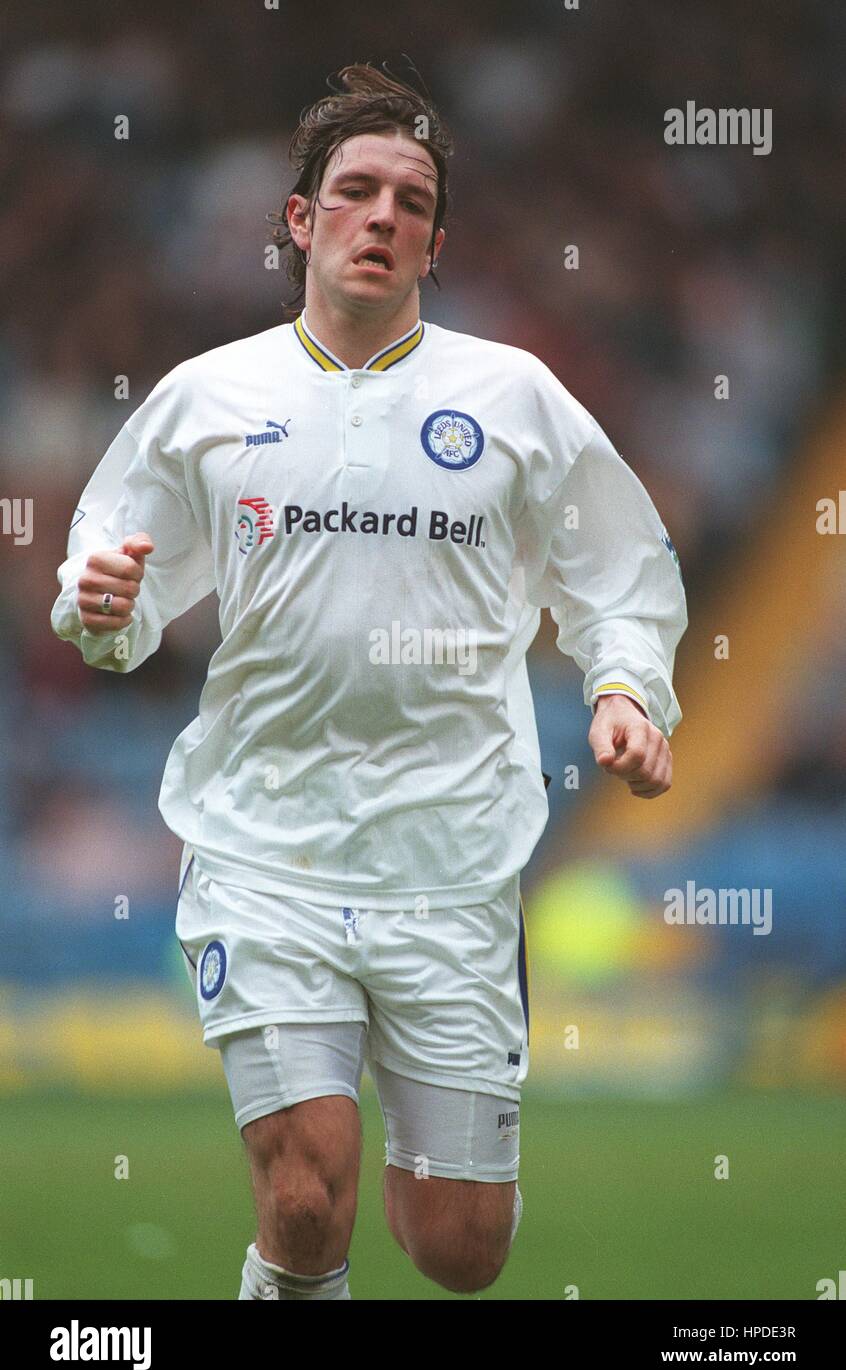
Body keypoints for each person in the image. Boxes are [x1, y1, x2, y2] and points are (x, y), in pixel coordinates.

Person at [51, 63, 688, 1300]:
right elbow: (105, 591)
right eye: (354, 191)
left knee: (462, 1249)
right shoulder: (207, 400)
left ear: (437, 244)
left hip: (451, 863)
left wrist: (625, 689)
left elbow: (620, 569)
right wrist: (101, 609)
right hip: (265, 849)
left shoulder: (513, 399)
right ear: (301, 219)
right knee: (303, 1200)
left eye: (410, 199)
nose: (381, 214)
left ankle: (436, 1181)